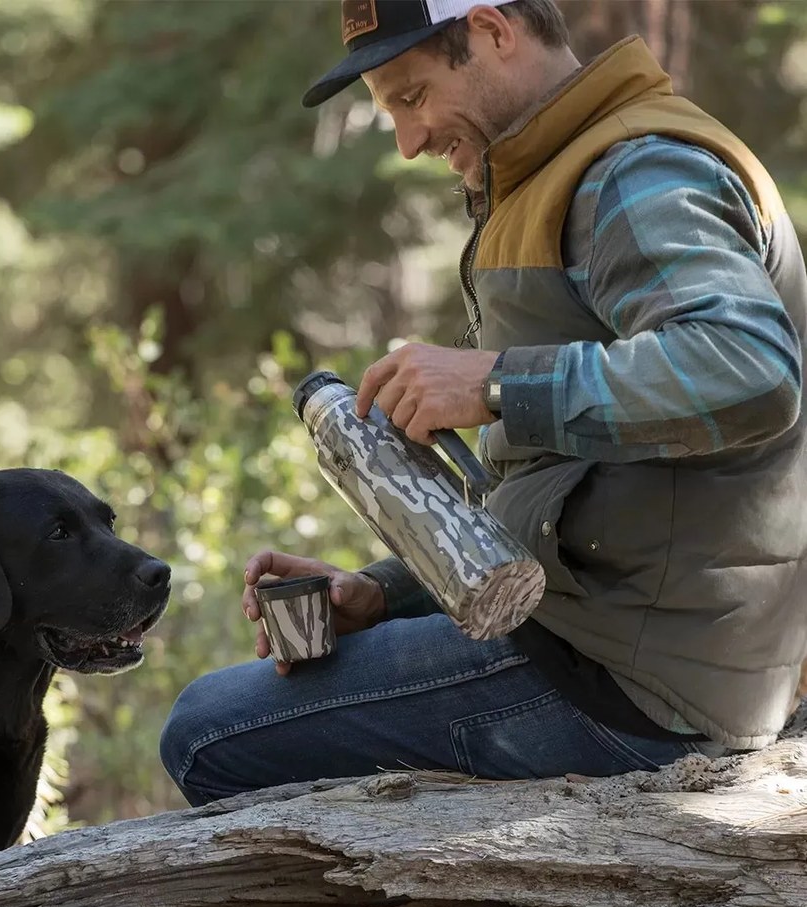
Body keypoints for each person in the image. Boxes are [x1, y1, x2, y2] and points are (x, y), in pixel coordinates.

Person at [160, 0, 807, 806]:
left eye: (411, 96)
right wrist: (388, 593)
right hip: (622, 643)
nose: (408, 141)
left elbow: (749, 371)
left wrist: (493, 383)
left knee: (206, 735)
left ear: (494, 31)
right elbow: (572, 491)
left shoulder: (636, 169)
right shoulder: (556, 173)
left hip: (647, 688)